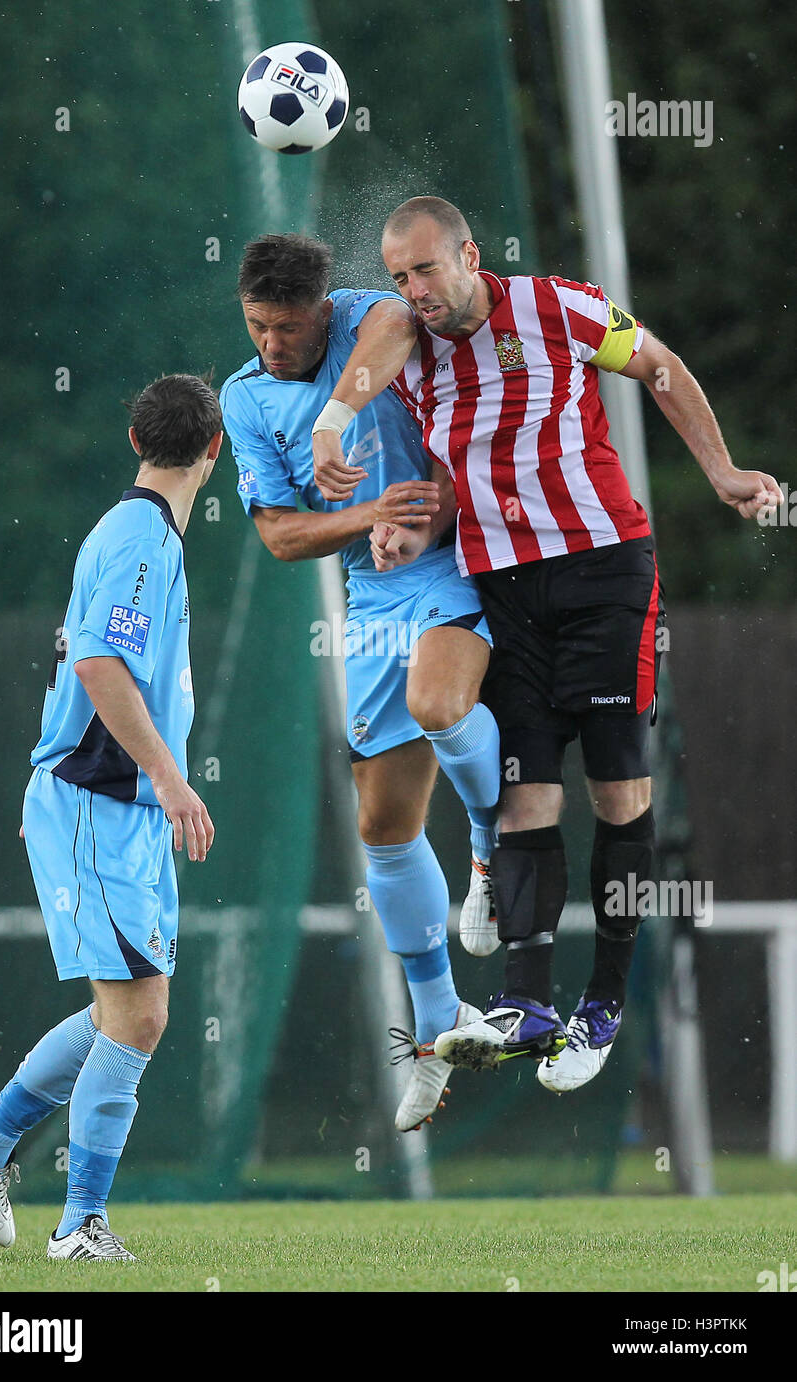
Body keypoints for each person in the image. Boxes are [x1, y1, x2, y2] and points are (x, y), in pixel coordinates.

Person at [312, 195, 783, 1093]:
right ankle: (526, 1005)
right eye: (400, 277)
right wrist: (417, 529)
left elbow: (660, 366)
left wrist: (721, 469)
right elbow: (455, 469)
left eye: (426, 270)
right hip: (506, 592)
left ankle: (600, 1004)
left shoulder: (554, 305)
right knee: (527, 793)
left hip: (604, 569)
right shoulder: (413, 357)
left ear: (469, 255)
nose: (415, 292)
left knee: (616, 788)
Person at [220, 232, 504, 1132]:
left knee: (439, 700)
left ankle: (492, 851)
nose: (274, 343)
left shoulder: (370, 318)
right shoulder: (244, 397)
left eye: (289, 326)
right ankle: (438, 1021)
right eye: (258, 326)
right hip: (373, 598)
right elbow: (278, 535)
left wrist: (340, 426)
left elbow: (393, 322)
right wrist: (366, 518)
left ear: (324, 308)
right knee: (384, 826)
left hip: (460, 565)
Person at [0, 374, 220, 1258]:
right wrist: (171, 780)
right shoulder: (143, 540)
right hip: (105, 804)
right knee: (137, 1015)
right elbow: (98, 664)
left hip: (105, 806)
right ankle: (79, 1223)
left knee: (126, 1014)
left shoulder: (133, 533)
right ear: (216, 452)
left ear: (135, 440)